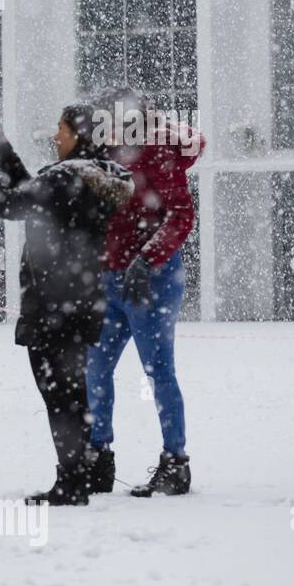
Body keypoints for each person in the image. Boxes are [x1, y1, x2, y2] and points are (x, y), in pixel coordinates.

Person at [0, 107, 133, 505]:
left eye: (61, 130)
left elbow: (6, 201)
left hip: (52, 303)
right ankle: (84, 473)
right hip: (81, 300)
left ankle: (72, 483)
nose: (54, 137)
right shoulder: (95, 176)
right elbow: (32, 190)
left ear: (78, 135)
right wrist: (6, 151)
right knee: (74, 393)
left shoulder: (65, 178)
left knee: (59, 397)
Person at [86, 87, 206, 497]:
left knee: (159, 371)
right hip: (112, 278)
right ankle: (98, 457)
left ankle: (176, 462)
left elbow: (181, 215)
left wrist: (148, 259)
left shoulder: (156, 154)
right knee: (96, 366)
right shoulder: (107, 157)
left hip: (153, 280)